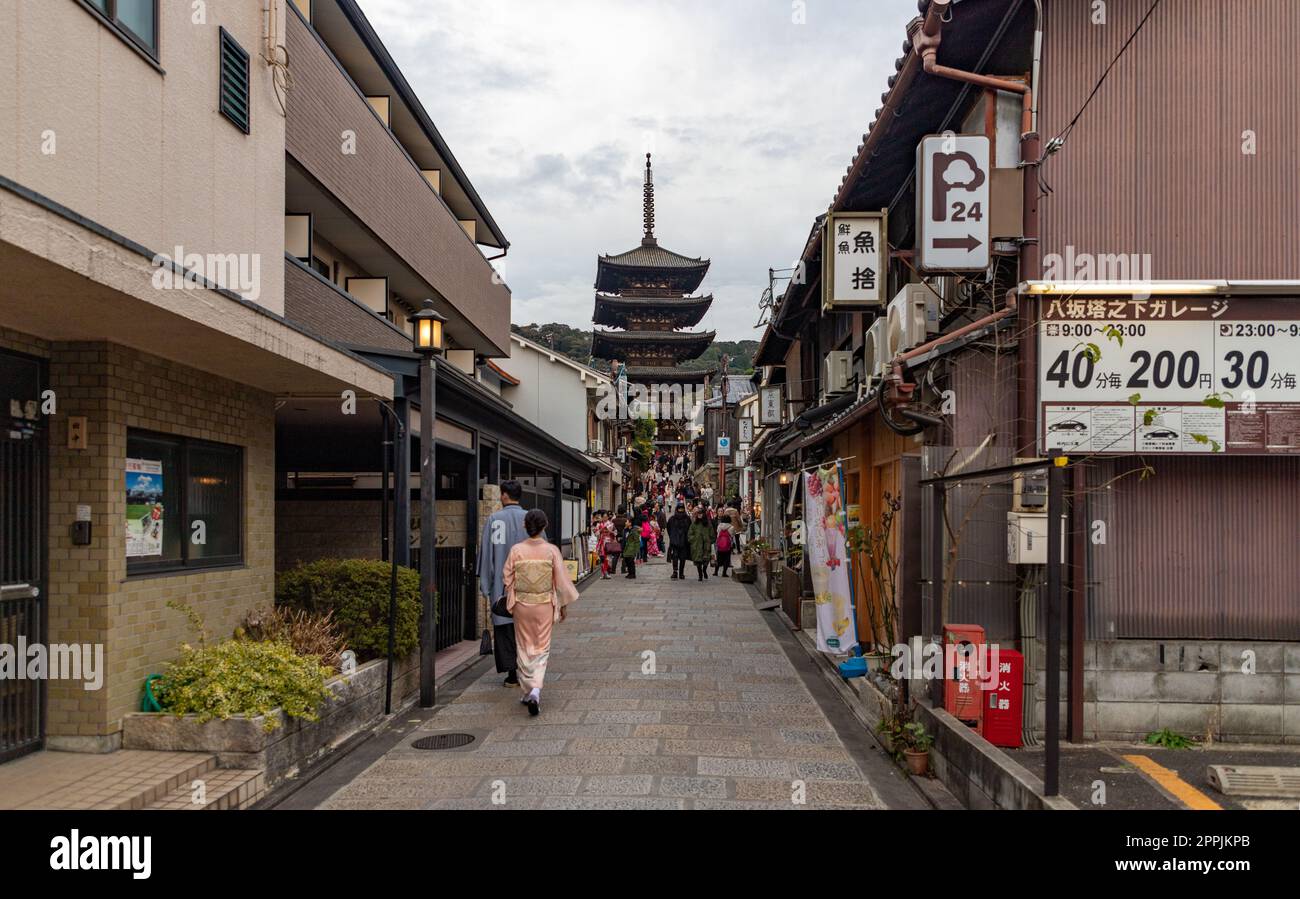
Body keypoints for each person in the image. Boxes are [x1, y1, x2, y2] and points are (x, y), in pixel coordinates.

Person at [502, 509, 579, 716]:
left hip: (522, 604)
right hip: (544, 603)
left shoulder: (516, 550)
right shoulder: (551, 550)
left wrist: (514, 593)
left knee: (524, 645)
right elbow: (561, 582)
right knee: (541, 646)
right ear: (544, 527)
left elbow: (507, 577)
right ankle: (535, 689)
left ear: (525, 526)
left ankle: (528, 691)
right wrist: (562, 605)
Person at [476, 479, 527, 686]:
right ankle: (528, 669)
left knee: (505, 628)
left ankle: (512, 675)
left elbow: (486, 554)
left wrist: (485, 584)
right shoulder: (530, 518)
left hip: (502, 586)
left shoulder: (494, 520)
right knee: (526, 629)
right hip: (527, 586)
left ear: (505, 495)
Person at [687, 508, 713, 582]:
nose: (699, 515)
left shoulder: (708, 524)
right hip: (697, 545)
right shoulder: (694, 524)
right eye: (698, 514)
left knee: (706, 561)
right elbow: (690, 534)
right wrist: (694, 539)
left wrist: (709, 541)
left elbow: (712, 535)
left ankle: (704, 570)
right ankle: (700, 575)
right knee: (698, 561)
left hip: (706, 546)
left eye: (701, 514)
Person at [666, 503, 691, 579]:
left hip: (684, 541)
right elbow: (669, 529)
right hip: (675, 542)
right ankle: (675, 571)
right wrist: (673, 537)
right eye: (679, 509)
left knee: (683, 558)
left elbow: (690, 529)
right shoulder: (672, 519)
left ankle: (681, 573)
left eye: (682, 509)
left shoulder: (687, 519)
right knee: (675, 557)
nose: (680, 510)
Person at [713, 513, 735, 578]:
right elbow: (732, 535)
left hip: (719, 545)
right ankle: (724, 573)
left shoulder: (719, 526)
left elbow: (717, 534)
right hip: (727, 546)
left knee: (718, 558)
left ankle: (716, 572)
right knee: (726, 559)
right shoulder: (731, 527)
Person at [621, 513, 641, 578]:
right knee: (627, 561)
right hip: (626, 548)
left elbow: (637, 541)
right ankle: (630, 573)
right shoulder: (625, 530)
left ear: (630, 523)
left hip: (631, 548)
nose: (625, 522)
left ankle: (633, 574)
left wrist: (636, 550)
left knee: (631, 562)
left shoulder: (634, 531)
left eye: (626, 521)